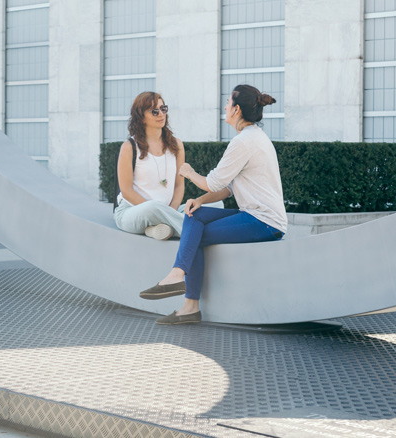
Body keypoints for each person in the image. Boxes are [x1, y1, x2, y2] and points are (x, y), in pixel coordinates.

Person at [138, 84, 287, 325]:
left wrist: (187, 171)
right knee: (193, 216)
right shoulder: (252, 138)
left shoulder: (244, 142)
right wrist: (199, 200)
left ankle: (186, 297)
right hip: (252, 215)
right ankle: (182, 287)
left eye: (228, 103)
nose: (225, 107)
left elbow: (212, 183)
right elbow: (227, 188)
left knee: (195, 233)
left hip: (265, 222)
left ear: (237, 109)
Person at [114, 91, 190, 240]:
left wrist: (170, 212)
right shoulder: (129, 147)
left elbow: (179, 185)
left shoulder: (177, 145)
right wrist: (160, 212)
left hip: (168, 211)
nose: (161, 114)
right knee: (153, 207)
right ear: (141, 117)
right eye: (154, 111)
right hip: (133, 211)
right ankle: (198, 233)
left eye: (163, 109)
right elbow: (127, 191)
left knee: (214, 205)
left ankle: (156, 229)